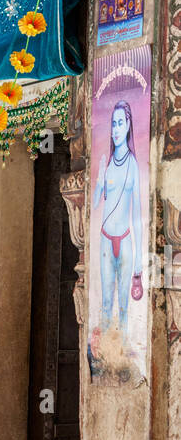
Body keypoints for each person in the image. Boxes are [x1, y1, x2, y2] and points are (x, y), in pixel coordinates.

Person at [93, 99, 143, 340]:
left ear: (128, 125)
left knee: (123, 305)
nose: (115, 129)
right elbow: (93, 204)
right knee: (105, 303)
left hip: (124, 242)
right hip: (105, 239)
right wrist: (100, 181)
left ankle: (121, 357)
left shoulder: (133, 165)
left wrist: (139, 266)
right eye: (113, 124)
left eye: (120, 123)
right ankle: (103, 360)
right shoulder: (107, 163)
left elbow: (137, 216)